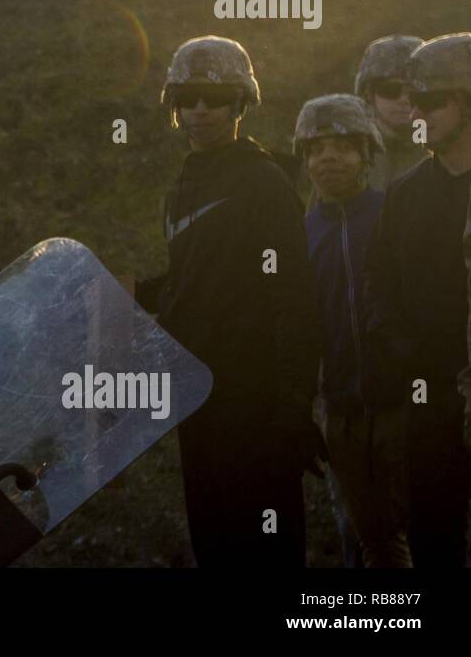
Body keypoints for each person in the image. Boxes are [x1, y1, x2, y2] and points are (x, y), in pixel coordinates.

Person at [136, 36, 322, 567]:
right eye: (187, 97)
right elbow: (195, 280)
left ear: (242, 104)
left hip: (256, 410)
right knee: (214, 550)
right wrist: (139, 293)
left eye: (214, 99)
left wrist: (291, 410)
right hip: (199, 405)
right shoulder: (183, 187)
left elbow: (294, 297)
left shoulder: (263, 182)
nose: (199, 110)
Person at [364, 33, 471, 568]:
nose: (415, 111)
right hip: (429, 401)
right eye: (412, 98)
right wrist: (401, 351)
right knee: (434, 537)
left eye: (431, 101)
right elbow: (379, 286)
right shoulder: (404, 195)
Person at [296, 95, 411, 567]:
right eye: (317, 148)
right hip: (341, 414)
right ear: (305, 161)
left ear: (368, 154)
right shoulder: (300, 234)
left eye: (343, 145)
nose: (329, 157)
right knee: (376, 544)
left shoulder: (397, 214)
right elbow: (300, 329)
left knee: (428, 533)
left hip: (404, 407)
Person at [355, 34, 429, 188]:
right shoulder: (350, 158)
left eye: (413, 91)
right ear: (369, 95)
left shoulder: (448, 155)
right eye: (390, 90)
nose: (404, 99)